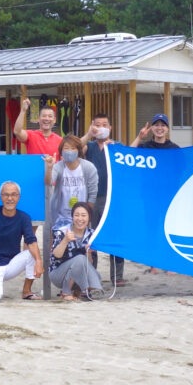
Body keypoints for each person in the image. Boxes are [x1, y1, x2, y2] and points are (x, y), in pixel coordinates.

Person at [80, 112, 124, 287]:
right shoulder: (89, 147)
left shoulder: (116, 146)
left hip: (112, 198)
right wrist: (89, 133)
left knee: (115, 234)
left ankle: (117, 275)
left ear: (110, 127)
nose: (101, 128)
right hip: (92, 197)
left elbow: (130, 157)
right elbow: (75, 148)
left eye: (104, 124)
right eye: (97, 125)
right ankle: (92, 273)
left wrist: (138, 138)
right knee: (92, 236)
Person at [50, 202, 103, 301]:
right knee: (79, 258)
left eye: (83, 215)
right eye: (76, 215)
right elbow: (56, 255)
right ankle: (66, 292)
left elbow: (89, 263)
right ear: (72, 217)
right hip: (58, 273)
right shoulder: (62, 231)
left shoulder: (92, 234)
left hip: (79, 272)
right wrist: (65, 240)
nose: (80, 219)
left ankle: (79, 291)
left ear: (89, 217)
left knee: (91, 271)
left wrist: (89, 252)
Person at [44, 135, 99, 228]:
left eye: (73, 148)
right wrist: (49, 168)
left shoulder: (89, 167)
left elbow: (93, 194)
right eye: (66, 148)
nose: (69, 151)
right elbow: (48, 182)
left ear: (78, 150)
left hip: (81, 218)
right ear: (61, 151)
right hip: (61, 217)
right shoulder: (58, 166)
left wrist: (87, 215)